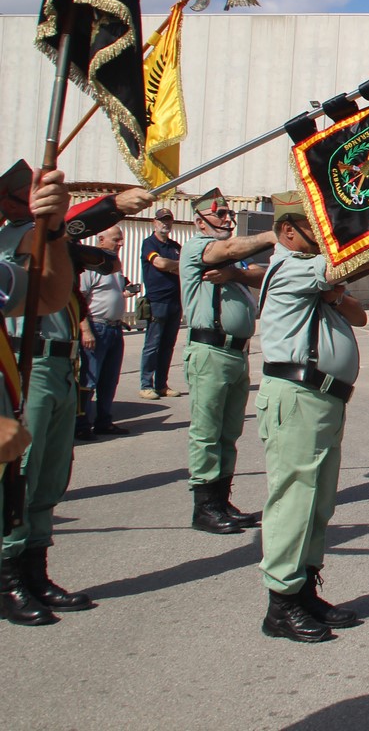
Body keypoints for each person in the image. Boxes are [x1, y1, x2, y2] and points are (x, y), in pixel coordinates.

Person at [255, 191, 368, 643]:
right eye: (315, 228)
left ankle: (303, 588)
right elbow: (346, 264)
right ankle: (280, 603)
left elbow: (358, 316)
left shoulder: (316, 280)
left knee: (318, 503)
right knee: (294, 501)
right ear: (288, 231)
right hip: (297, 396)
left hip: (323, 399)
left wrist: (337, 297)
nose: (325, 235)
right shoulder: (289, 269)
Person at [0, 164, 85, 627]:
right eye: (24, 192)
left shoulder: (46, 237)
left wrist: (54, 228)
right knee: (21, 473)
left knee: (51, 472)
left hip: (59, 363)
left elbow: (57, 287)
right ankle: (9, 573)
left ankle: (36, 567)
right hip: (24, 362)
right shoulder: (10, 239)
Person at [179, 189, 276, 535]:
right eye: (219, 215)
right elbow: (229, 250)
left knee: (228, 431)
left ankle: (221, 499)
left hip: (236, 352)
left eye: (227, 215)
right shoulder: (198, 248)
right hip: (210, 350)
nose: (225, 221)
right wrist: (273, 234)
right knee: (206, 431)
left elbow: (262, 274)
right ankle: (204, 506)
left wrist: (236, 275)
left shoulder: (229, 265)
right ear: (200, 220)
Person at [76, 227, 134, 440]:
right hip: (97, 329)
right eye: (116, 239)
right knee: (90, 379)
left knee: (109, 380)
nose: (120, 244)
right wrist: (86, 330)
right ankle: (81, 424)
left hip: (115, 329)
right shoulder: (91, 267)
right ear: (101, 239)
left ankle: (104, 421)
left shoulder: (113, 266)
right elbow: (80, 299)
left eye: (121, 239)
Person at [138, 207, 184, 400]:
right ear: (154, 223)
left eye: (168, 220)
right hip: (157, 301)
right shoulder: (149, 244)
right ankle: (146, 384)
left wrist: (171, 266)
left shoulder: (175, 246)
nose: (165, 224)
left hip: (175, 301)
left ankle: (161, 384)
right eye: (161, 220)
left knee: (168, 346)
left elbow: (185, 268)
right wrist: (172, 266)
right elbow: (160, 264)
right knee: (152, 345)